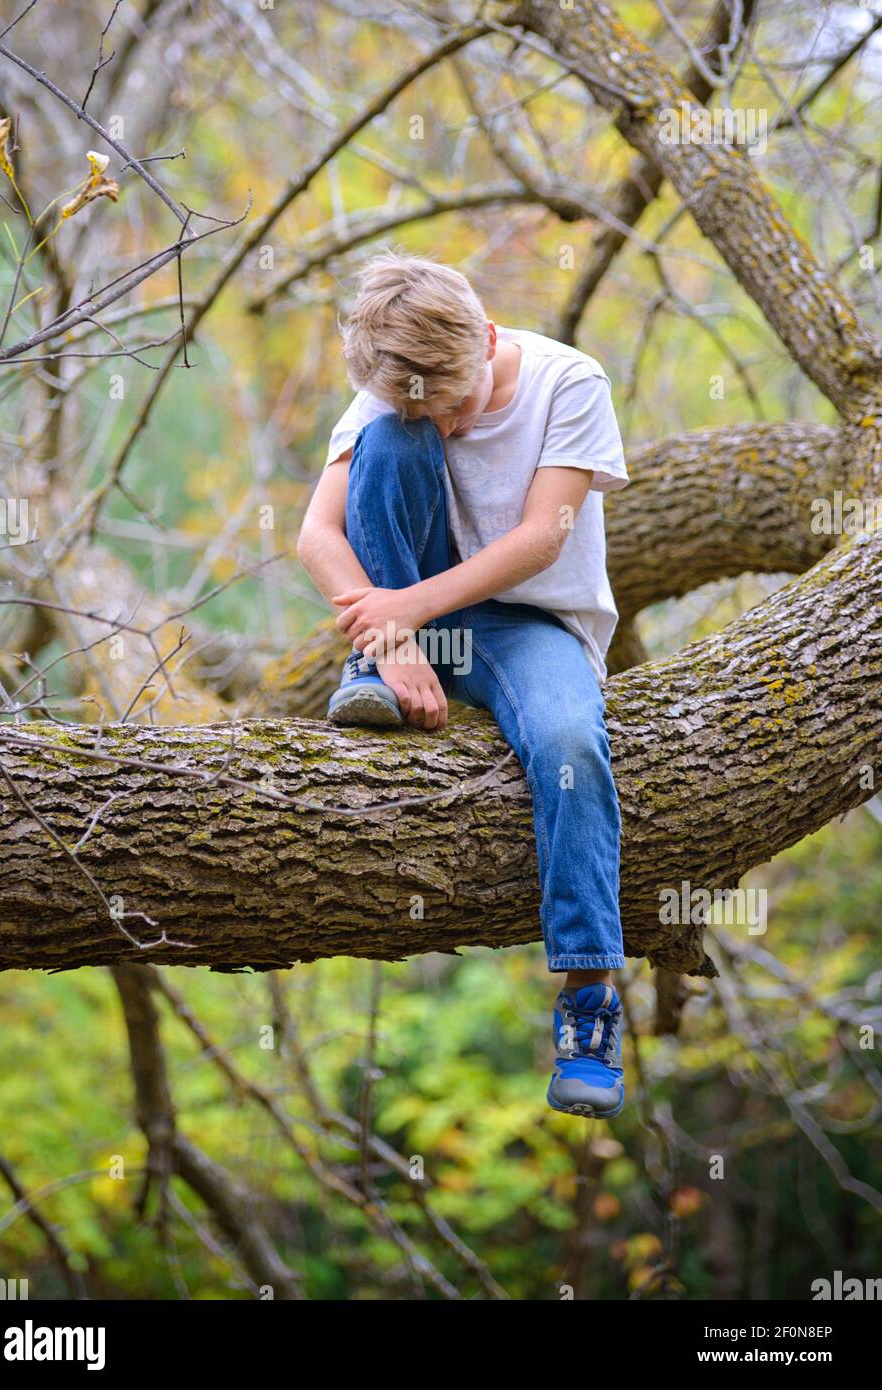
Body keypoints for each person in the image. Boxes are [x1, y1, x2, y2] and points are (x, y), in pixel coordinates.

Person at [298, 250, 629, 1119]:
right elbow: (318, 536)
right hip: (414, 610)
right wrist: (393, 632)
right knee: (388, 444)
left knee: (569, 745)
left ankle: (589, 1006)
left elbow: (540, 541)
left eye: (455, 410)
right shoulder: (396, 387)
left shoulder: (570, 382)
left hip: (529, 627)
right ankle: (372, 671)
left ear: (485, 340)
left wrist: (400, 615)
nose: (443, 429)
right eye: (428, 412)